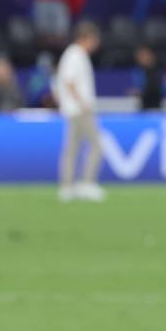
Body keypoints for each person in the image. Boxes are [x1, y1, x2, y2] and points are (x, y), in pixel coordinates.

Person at [55, 21, 105, 202]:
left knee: (72, 148)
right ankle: (87, 183)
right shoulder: (75, 55)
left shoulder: (75, 54)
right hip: (79, 110)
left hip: (75, 109)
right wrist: (82, 102)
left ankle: (68, 187)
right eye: (94, 40)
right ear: (86, 38)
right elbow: (68, 82)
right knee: (97, 145)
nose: (96, 44)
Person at [131, 45, 165, 111]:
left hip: (156, 108)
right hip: (144, 108)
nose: (141, 58)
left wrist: (141, 91)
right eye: (139, 56)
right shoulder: (138, 72)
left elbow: (157, 90)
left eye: (144, 55)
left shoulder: (158, 71)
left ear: (152, 56)